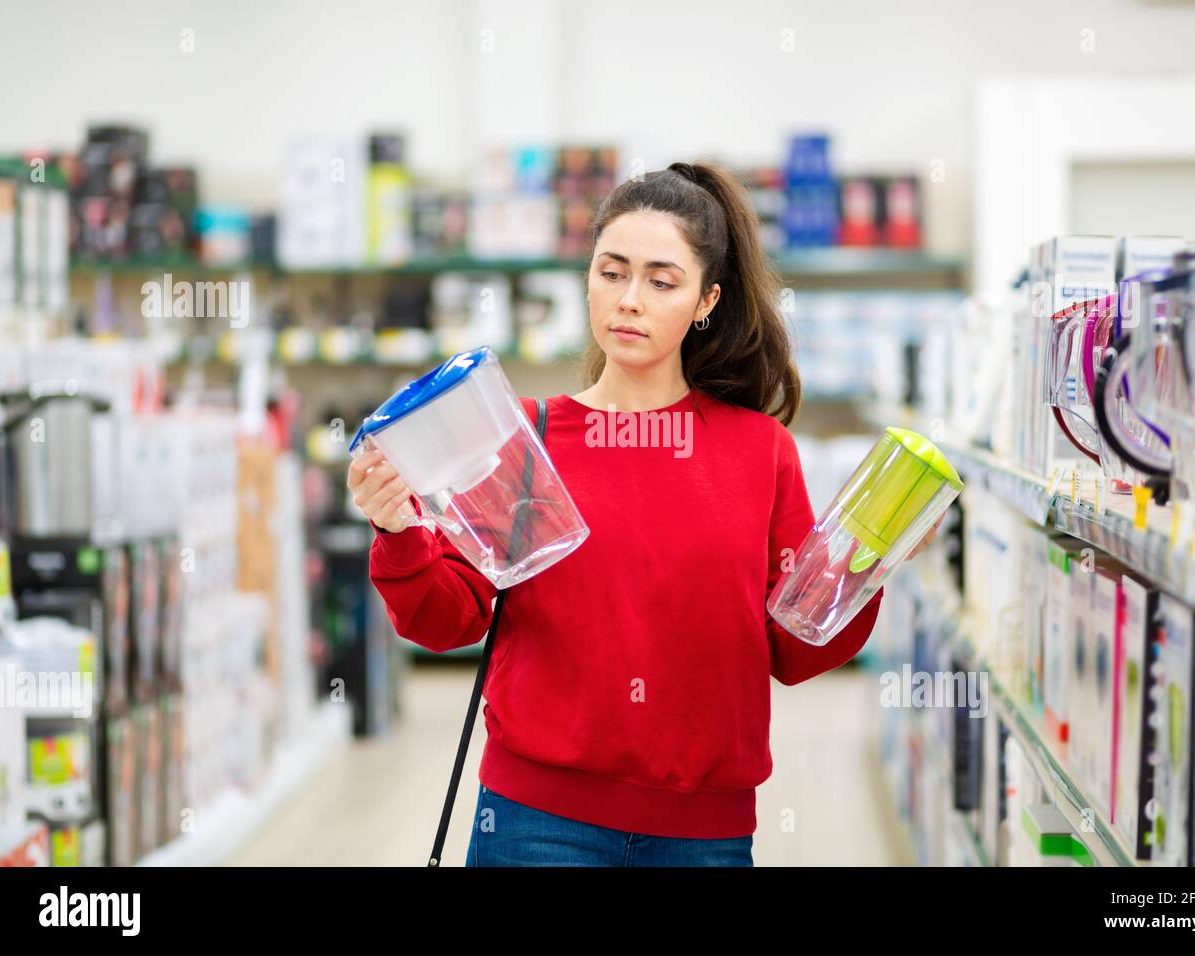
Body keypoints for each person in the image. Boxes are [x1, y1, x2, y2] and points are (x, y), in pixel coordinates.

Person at [347, 161, 940, 867]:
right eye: (611, 272)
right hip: (535, 824)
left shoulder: (760, 452)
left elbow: (795, 650)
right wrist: (399, 532)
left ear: (705, 300)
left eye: (661, 281)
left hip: (704, 836)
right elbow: (448, 621)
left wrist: (873, 559)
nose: (629, 299)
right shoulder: (527, 439)